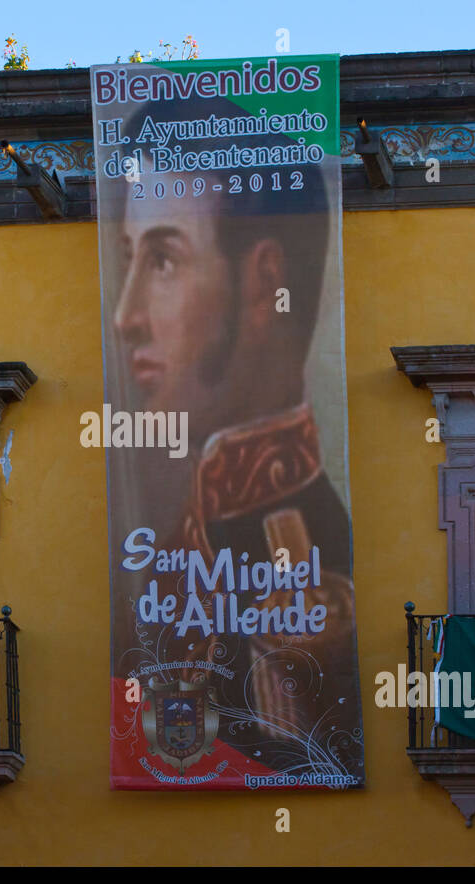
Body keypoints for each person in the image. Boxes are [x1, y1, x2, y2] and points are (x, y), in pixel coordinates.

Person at [107, 91, 362, 781]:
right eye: (129, 257)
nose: (126, 316)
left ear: (265, 282)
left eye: (162, 260)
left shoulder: (316, 576)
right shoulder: (187, 530)